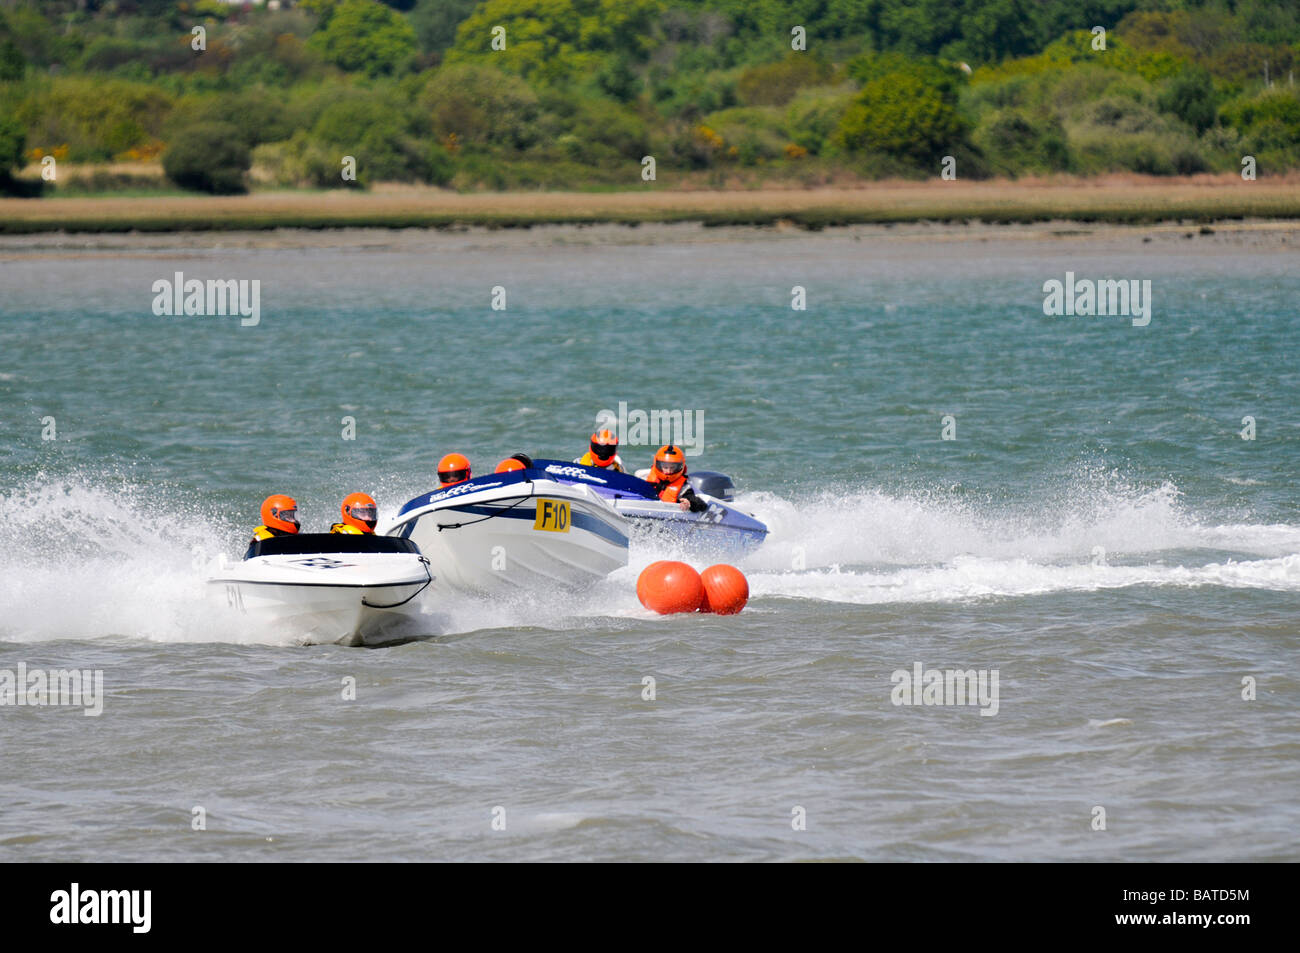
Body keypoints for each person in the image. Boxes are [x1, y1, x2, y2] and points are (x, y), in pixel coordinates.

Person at [647, 445, 708, 512]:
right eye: (665, 467)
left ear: (680, 466)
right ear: (658, 464)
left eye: (672, 467)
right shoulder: (645, 475)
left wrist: (689, 504)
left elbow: (702, 505)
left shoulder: (684, 487)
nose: (668, 471)